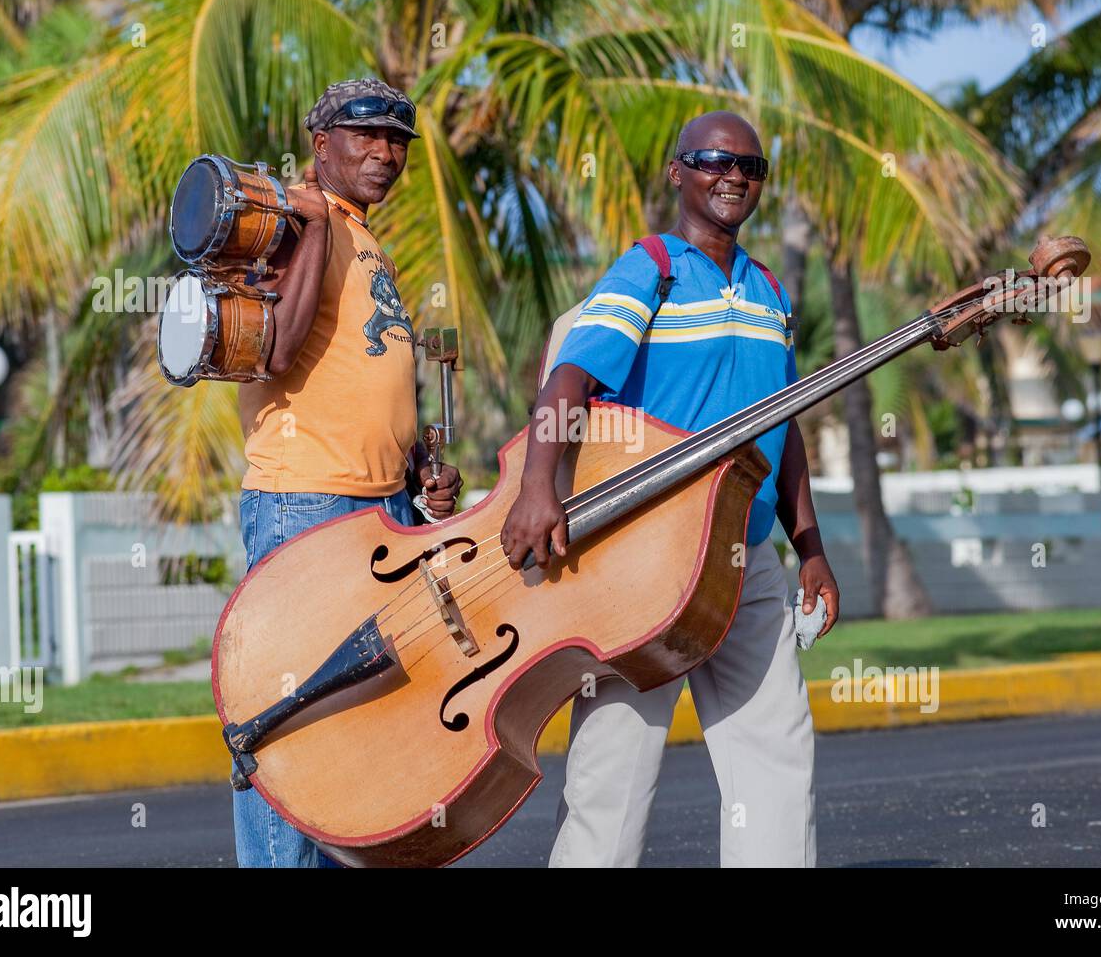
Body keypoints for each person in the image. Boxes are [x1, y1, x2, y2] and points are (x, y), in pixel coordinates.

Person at [500, 110, 840, 867]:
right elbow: (568, 379)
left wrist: (809, 548)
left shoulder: (768, 290)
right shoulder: (649, 266)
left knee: (776, 757)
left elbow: (787, 434)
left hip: (745, 562)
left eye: (750, 168)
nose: (734, 178)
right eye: (715, 161)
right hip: (644, 564)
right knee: (614, 770)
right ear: (678, 172)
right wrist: (535, 490)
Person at [233, 77, 463, 868]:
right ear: (320, 142)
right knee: (291, 718)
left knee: (359, 723)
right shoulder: (291, 223)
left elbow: (360, 367)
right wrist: (316, 229)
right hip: (306, 498)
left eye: (398, 139)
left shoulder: (361, 234)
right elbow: (276, 350)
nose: (385, 152)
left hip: (379, 505)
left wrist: (420, 464)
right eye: (364, 134)